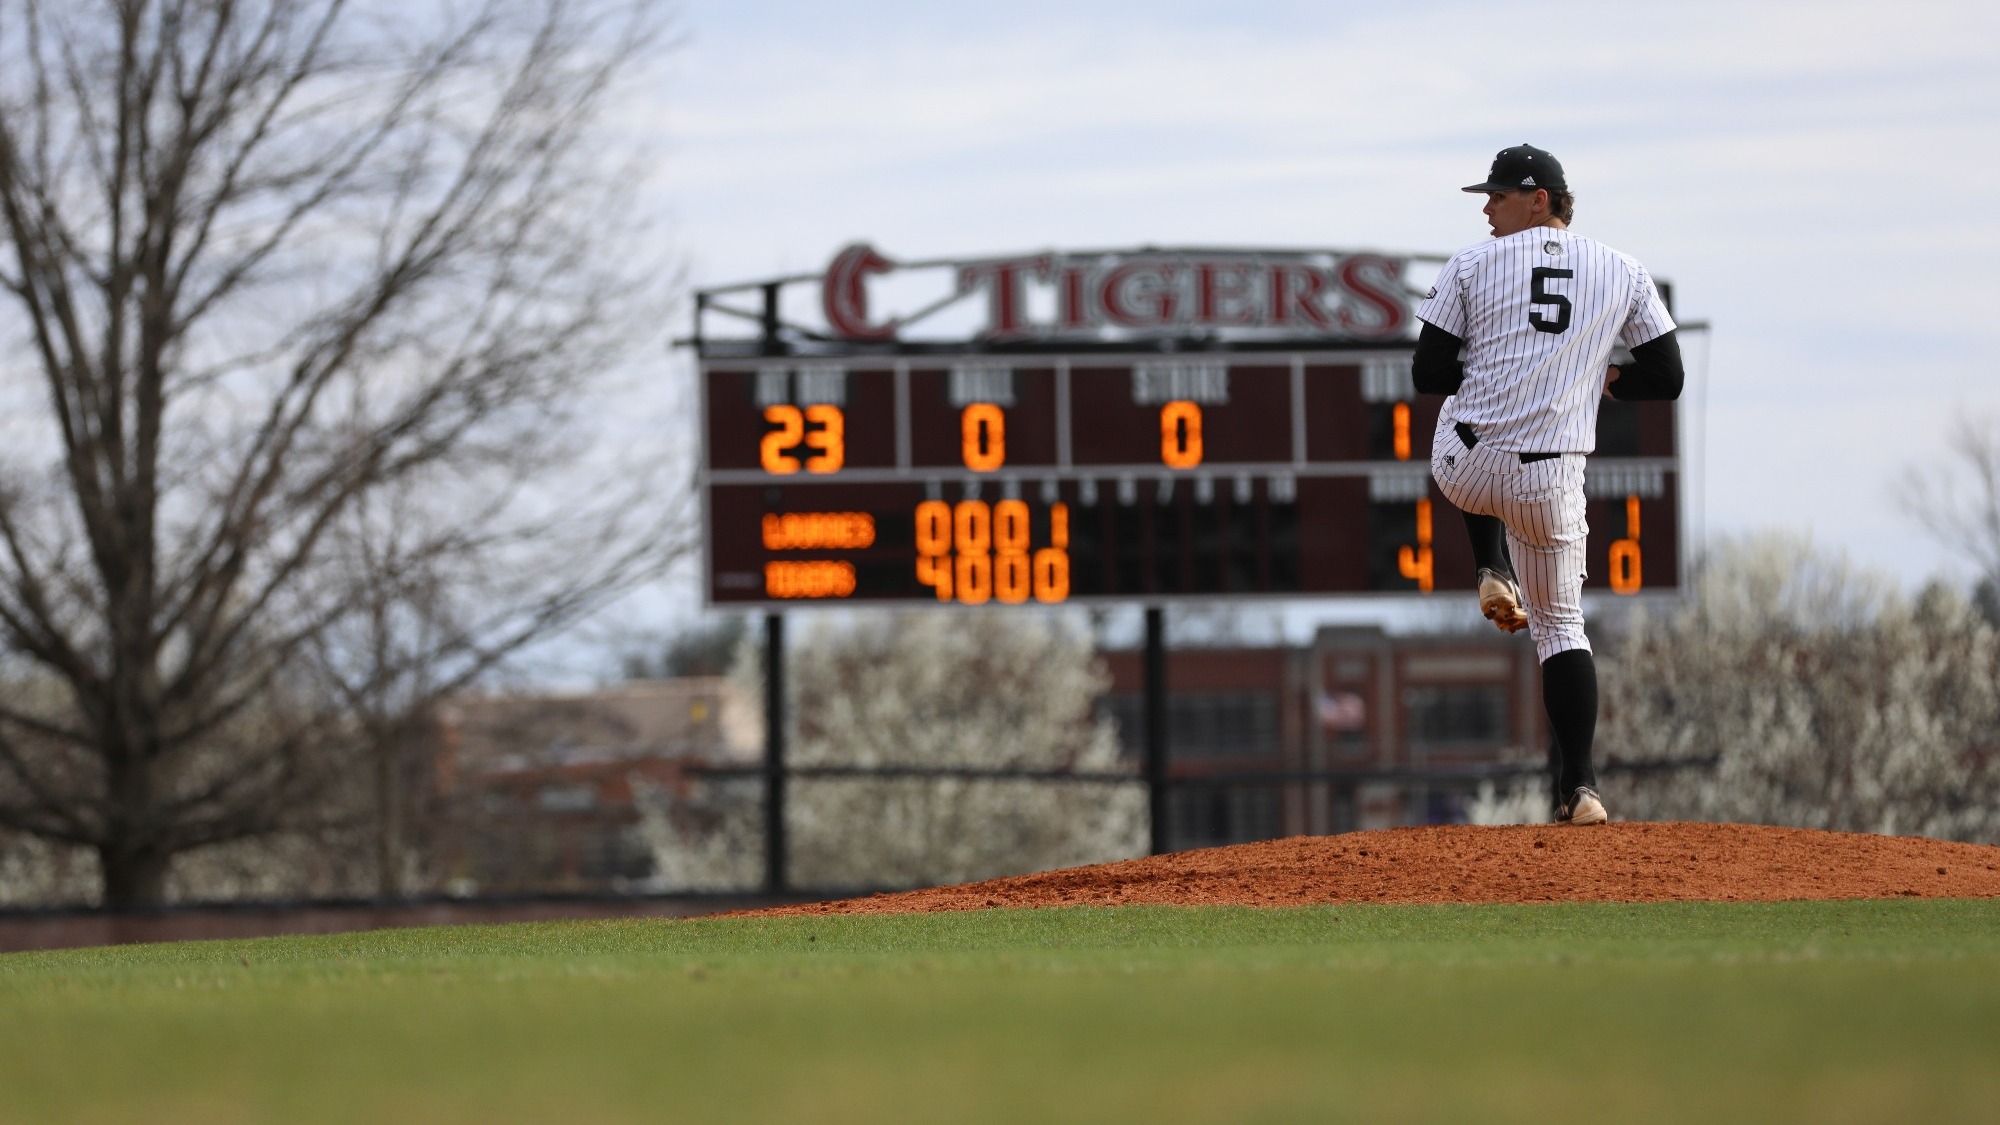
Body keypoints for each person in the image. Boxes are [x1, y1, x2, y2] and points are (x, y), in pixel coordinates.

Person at [1411, 144, 1685, 826]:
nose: (1486, 207)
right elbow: (1667, 376)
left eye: (1499, 195)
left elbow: (1429, 372)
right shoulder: (1623, 269)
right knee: (1563, 627)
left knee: (1455, 417)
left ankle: (1488, 563)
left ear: (1541, 199)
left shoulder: (1470, 264)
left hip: (1469, 461)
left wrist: (1493, 370)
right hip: (1551, 478)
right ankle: (1582, 788)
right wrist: (1603, 375)